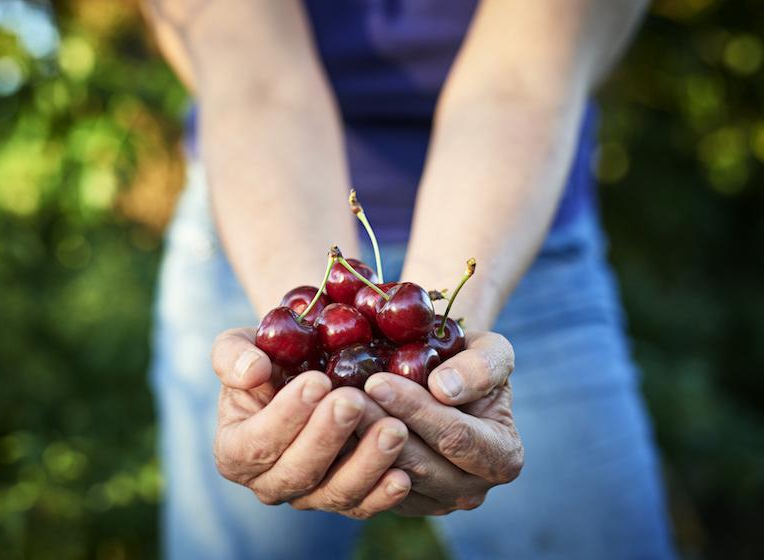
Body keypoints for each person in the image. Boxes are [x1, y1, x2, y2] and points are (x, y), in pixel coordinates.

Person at [142, 1, 677, 558]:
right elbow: (257, 81)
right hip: (263, 223)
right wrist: (303, 345)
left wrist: (443, 351)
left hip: (516, 228)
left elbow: (519, 83)